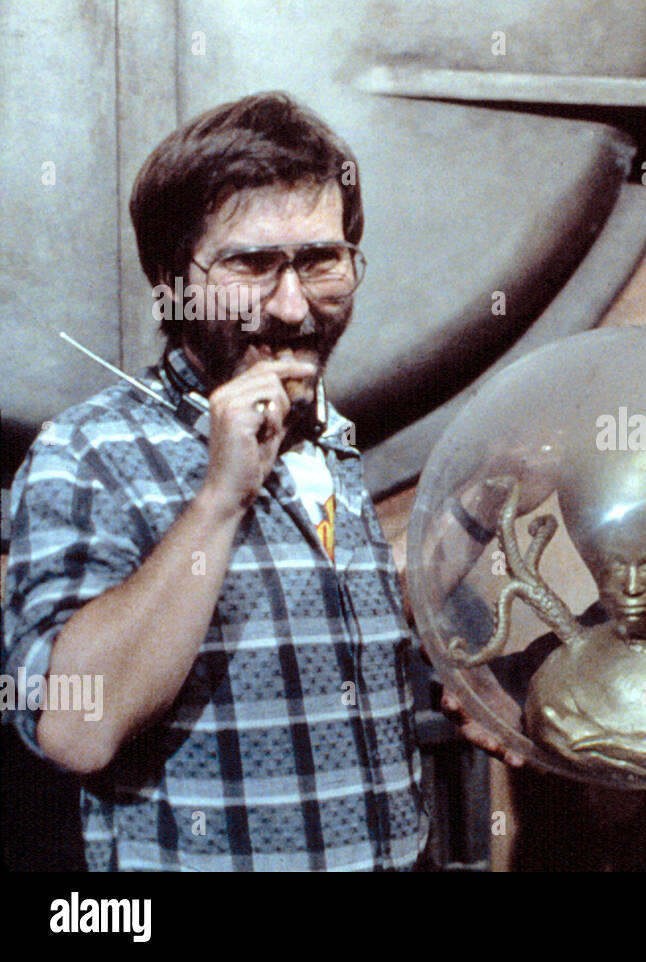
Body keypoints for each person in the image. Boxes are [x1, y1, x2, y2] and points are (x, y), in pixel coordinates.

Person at [2, 93, 426, 870]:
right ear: (172, 279)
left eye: (321, 260)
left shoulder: (331, 440)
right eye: (250, 264)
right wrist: (220, 498)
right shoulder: (90, 452)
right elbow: (75, 730)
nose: (293, 306)